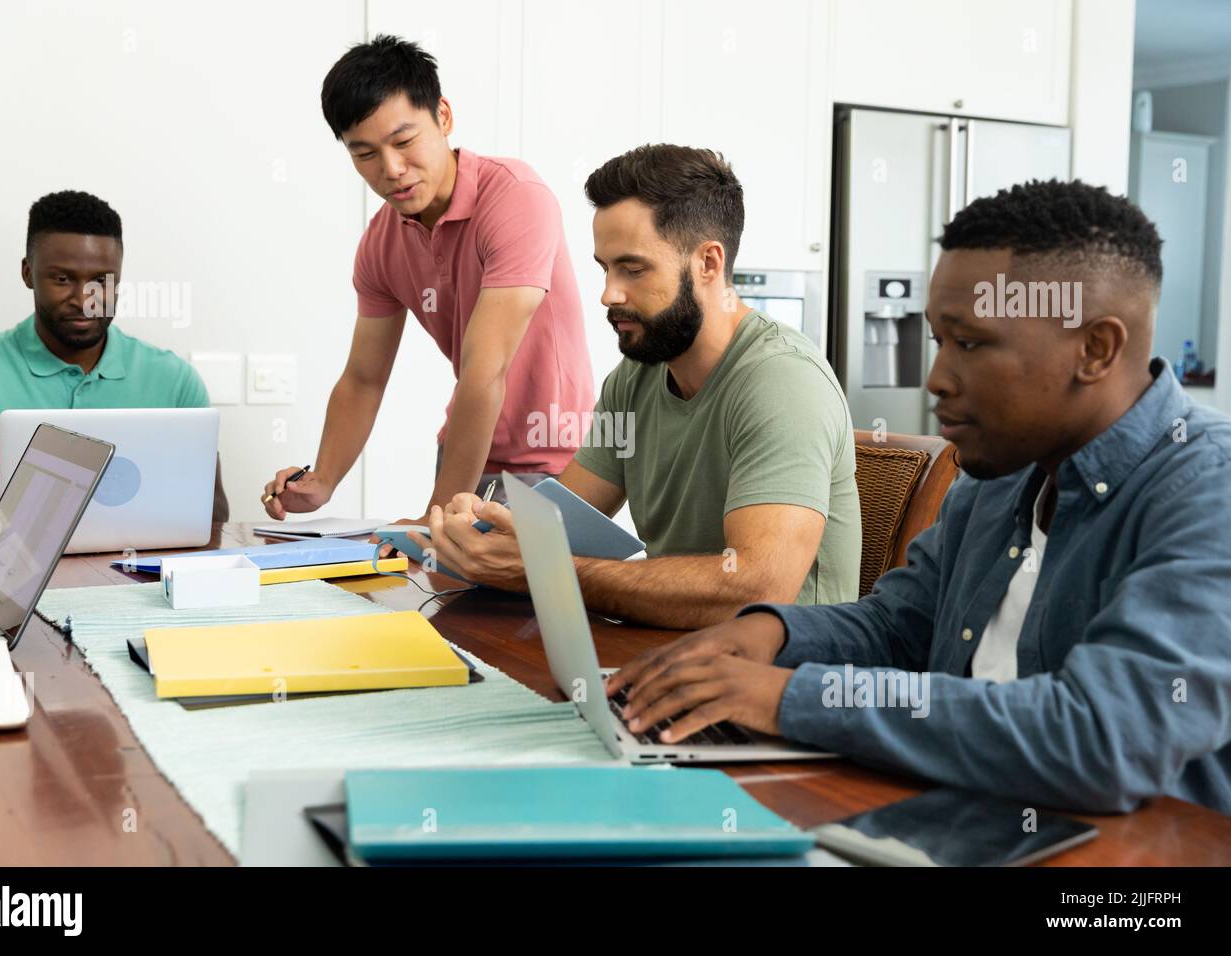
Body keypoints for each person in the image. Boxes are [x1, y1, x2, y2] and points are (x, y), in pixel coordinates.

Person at [608, 178, 1231, 814]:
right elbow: (898, 624)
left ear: (1095, 349)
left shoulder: (1210, 489)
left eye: (971, 343)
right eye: (938, 340)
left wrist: (782, 697)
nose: (935, 379)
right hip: (969, 812)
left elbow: (1105, 736)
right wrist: (766, 636)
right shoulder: (1008, 469)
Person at [421, 145, 862, 629]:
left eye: (632, 269)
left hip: (780, 679)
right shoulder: (637, 375)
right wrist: (487, 526)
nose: (608, 293)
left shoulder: (783, 383)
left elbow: (754, 589)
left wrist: (548, 570)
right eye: (604, 268)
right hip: (673, 652)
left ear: (708, 264)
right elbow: (558, 527)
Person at [261, 35, 593, 528]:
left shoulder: (516, 198)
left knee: (537, 606)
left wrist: (432, 520)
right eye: (365, 153)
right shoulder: (380, 243)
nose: (391, 170)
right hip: (465, 454)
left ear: (443, 116)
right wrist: (323, 480)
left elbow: (486, 371)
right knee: (438, 597)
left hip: (557, 460)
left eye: (403, 141)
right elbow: (363, 379)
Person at [0, 190, 227, 536]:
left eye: (101, 281)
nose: (84, 299)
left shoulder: (174, 380)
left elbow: (214, 511)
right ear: (28, 274)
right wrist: (25, 506)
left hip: (135, 578)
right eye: (62, 279)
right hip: (12, 575)